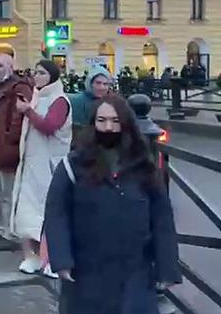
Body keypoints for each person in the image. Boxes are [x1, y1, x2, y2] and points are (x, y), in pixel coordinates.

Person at [45, 94, 180, 314]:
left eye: (115, 121)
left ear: (126, 124)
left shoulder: (143, 165)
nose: (108, 127)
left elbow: (162, 217)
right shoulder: (72, 165)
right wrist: (61, 259)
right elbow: (57, 213)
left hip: (135, 270)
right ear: (93, 123)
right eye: (102, 120)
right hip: (87, 270)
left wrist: (167, 267)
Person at [11, 60, 72, 278]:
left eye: (42, 73)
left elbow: (49, 126)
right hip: (31, 162)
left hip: (50, 165)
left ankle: (51, 258)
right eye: (34, 72)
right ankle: (31, 256)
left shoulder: (59, 100)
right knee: (27, 210)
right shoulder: (37, 96)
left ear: (52, 76)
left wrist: (28, 111)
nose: (36, 76)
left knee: (48, 212)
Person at [0, 54, 32, 252]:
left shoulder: (18, 88)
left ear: (11, 67)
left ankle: (11, 233)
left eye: (0, 66)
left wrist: (9, 139)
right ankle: (4, 230)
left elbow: (18, 118)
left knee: (9, 193)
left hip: (6, 148)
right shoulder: (3, 87)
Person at [69, 66, 112, 138]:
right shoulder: (76, 101)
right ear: (90, 83)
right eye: (98, 83)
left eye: (105, 84)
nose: (102, 87)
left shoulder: (112, 103)